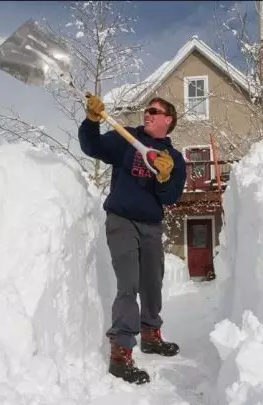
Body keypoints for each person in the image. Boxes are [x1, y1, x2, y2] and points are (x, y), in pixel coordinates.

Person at [78, 93, 187, 385]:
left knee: (153, 282)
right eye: (146, 110)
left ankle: (151, 335)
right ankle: (121, 352)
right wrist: (91, 121)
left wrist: (164, 178)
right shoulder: (126, 140)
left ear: (169, 120)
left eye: (154, 111)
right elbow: (91, 146)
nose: (147, 114)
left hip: (151, 224)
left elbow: (172, 196)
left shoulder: (174, 159)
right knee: (129, 283)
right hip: (122, 219)